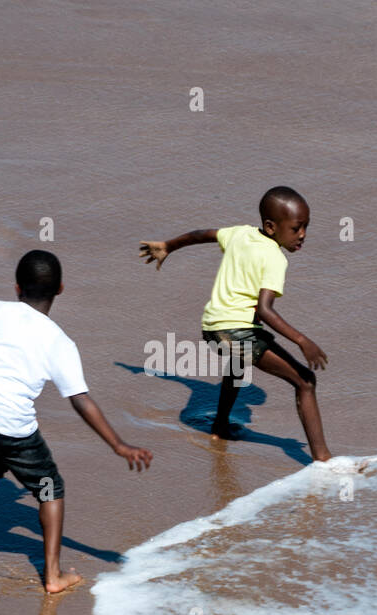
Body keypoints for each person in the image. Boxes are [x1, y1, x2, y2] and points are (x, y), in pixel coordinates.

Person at [0, 249, 151, 593]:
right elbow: (80, 400)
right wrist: (118, 444)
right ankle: (54, 576)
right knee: (50, 489)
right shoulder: (59, 341)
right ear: (60, 289)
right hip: (8, 423)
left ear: (16, 287)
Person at [139, 186, 331, 461]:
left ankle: (219, 428)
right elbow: (265, 311)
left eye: (306, 227)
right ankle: (323, 460)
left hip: (213, 328)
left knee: (237, 364)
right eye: (296, 228)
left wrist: (169, 245)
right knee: (306, 382)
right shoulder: (275, 258)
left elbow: (201, 235)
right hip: (237, 331)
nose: (302, 235)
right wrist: (302, 341)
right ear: (271, 226)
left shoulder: (240, 233)